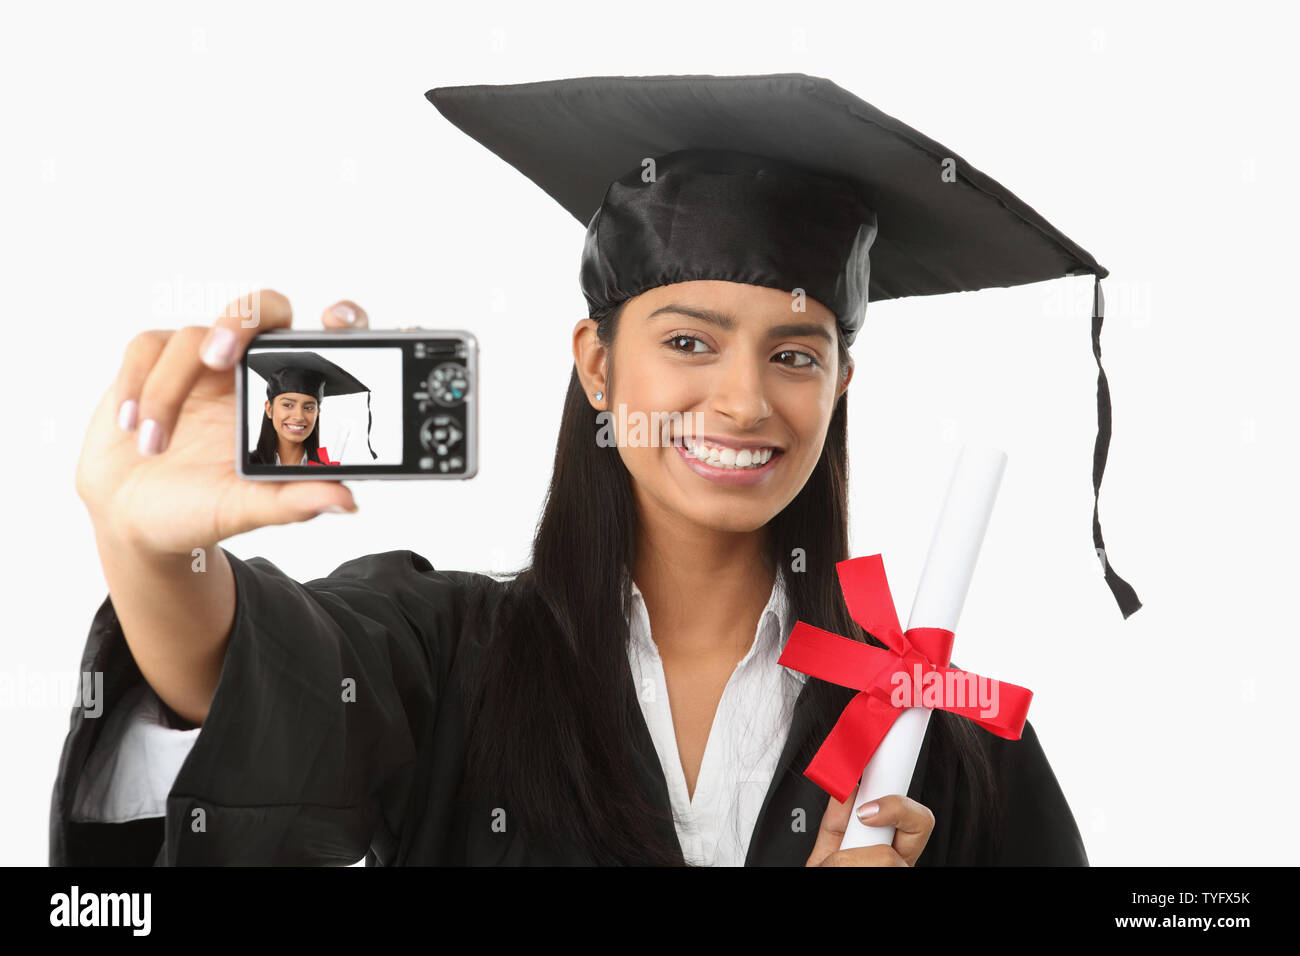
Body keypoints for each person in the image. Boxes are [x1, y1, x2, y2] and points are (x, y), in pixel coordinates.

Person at [52, 74, 1113, 867]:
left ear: (840, 385)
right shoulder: (453, 655)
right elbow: (251, 684)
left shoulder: (937, 729)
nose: (744, 400)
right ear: (598, 365)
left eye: (794, 355)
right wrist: (149, 545)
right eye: (689, 343)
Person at [246, 350, 375, 466]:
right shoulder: (245, 466)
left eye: (308, 408)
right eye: (288, 405)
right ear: (269, 409)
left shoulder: (323, 472)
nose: (298, 417)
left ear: (317, 413)